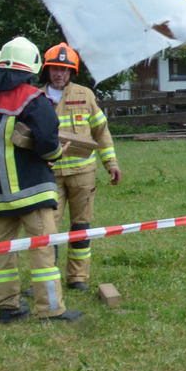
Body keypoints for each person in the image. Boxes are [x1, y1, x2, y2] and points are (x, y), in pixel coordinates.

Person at [0, 36, 79, 323]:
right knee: (42, 253)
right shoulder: (34, 99)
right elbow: (48, 144)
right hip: (33, 191)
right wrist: (58, 152)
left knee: (1, 255)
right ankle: (51, 310)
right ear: (33, 66)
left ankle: (7, 308)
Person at [41, 42, 121, 291]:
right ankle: (46, 278)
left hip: (83, 175)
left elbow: (101, 132)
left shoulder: (85, 95)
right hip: (48, 174)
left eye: (65, 70)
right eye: (55, 69)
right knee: (47, 229)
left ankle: (78, 278)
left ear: (72, 72)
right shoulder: (36, 98)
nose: (60, 74)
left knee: (81, 227)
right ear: (47, 70)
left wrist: (111, 163)